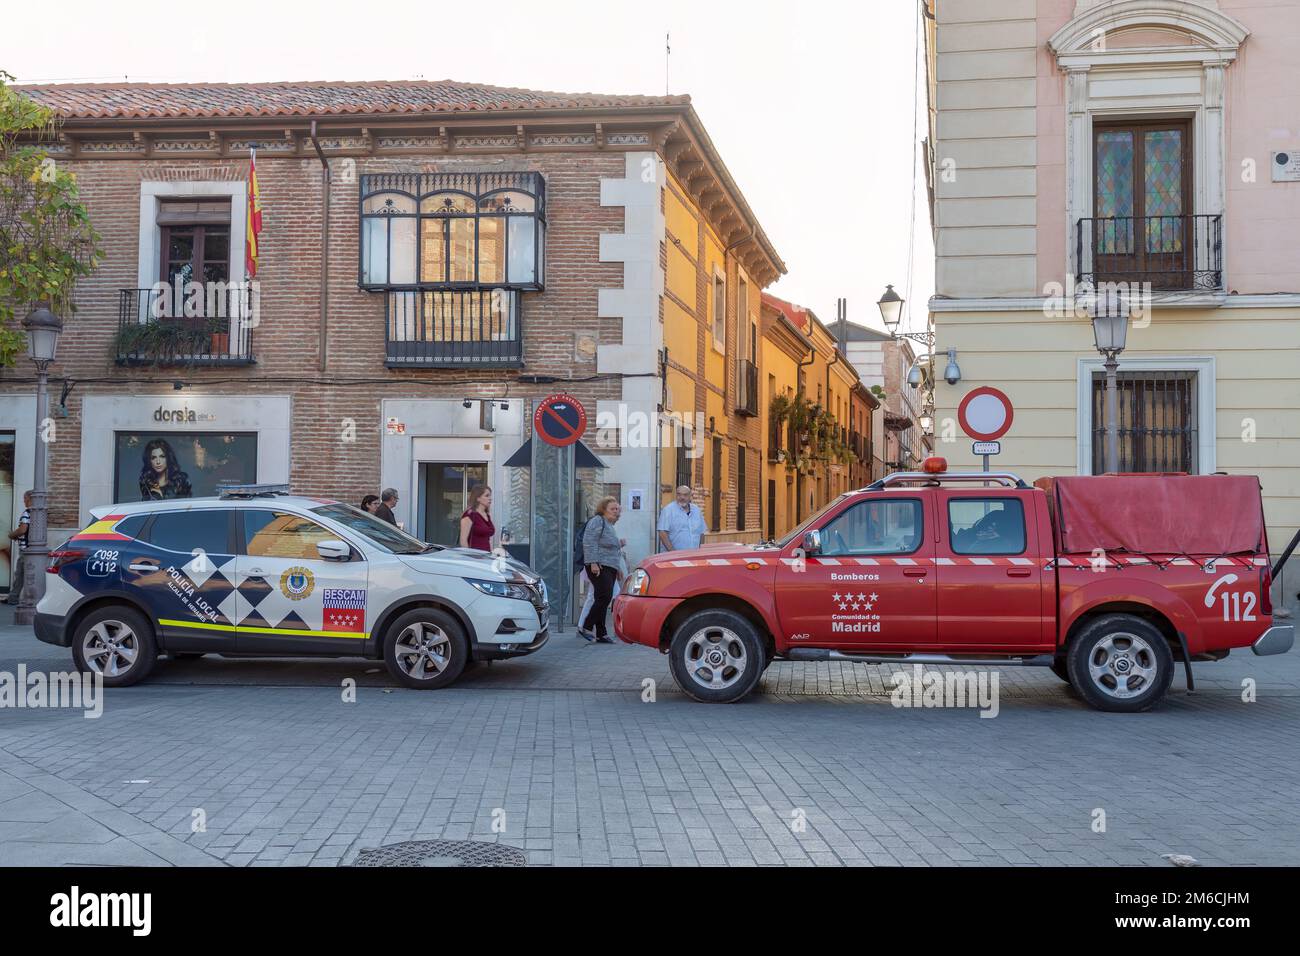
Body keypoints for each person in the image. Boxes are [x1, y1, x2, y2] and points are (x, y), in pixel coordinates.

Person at [579, 496, 624, 644]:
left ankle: (601, 634)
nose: (616, 512)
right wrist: (593, 563)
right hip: (599, 565)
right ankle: (586, 626)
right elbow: (589, 541)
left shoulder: (609, 525)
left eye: (617, 509)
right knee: (604, 597)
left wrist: (617, 568)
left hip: (609, 566)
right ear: (603, 510)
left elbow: (610, 549)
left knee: (603, 598)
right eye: (612, 509)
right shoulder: (597, 521)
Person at [657, 485, 706, 552]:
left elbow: (701, 533)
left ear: (690, 496)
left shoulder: (697, 510)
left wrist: (700, 551)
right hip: (674, 557)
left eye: (685, 495)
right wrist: (673, 552)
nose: (682, 497)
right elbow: (662, 533)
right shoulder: (668, 510)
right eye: (679, 494)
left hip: (693, 555)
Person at [6, 491, 31, 606]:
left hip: (26, 549)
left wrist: (12, 535)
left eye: (25, 498)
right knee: (24, 575)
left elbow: (23, 529)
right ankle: (16, 598)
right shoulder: (37, 513)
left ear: (30, 499)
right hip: (31, 549)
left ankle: (13, 599)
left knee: (20, 575)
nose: (24, 501)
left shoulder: (27, 513)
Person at [459, 484, 495, 551]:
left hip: (487, 556)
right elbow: (463, 540)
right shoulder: (470, 515)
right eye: (487, 496)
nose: (490, 498)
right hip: (474, 557)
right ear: (478, 498)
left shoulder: (487, 515)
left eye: (490, 495)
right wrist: (469, 557)